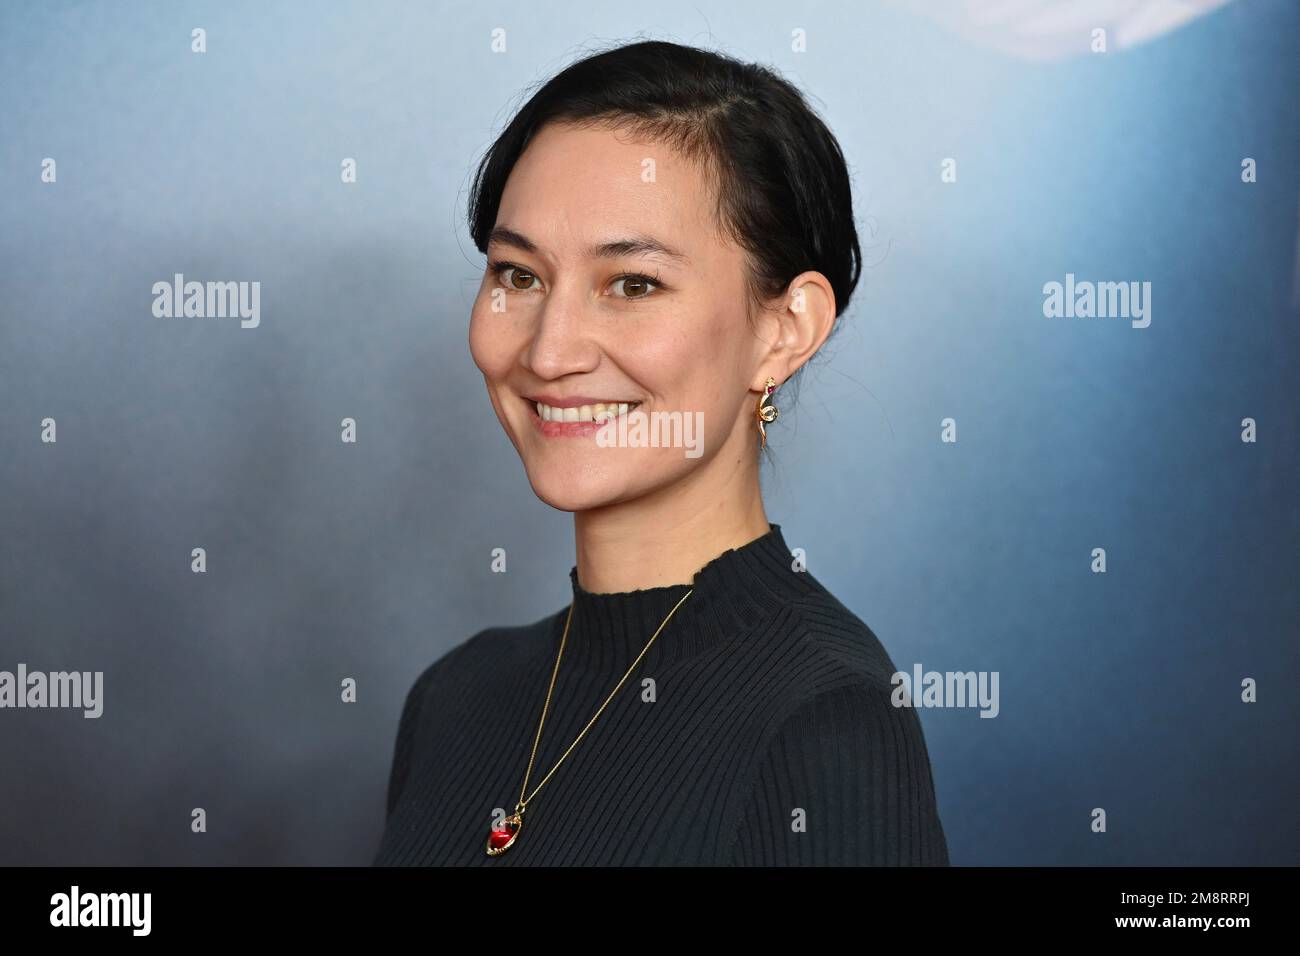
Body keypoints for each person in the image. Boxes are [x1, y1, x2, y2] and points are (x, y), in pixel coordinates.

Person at [373, 39, 949, 866]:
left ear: (785, 331)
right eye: (519, 274)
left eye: (632, 284)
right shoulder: (458, 695)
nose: (548, 352)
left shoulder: (823, 719)